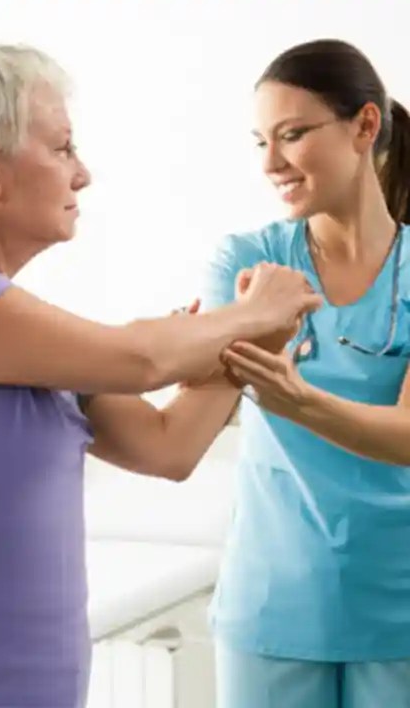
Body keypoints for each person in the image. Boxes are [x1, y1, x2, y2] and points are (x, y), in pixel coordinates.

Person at [0, 45, 321, 708]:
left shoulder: (24, 343)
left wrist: (250, 340)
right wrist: (248, 313)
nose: (84, 175)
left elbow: (169, 446)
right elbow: (142, 359)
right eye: (63, 147)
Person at [202, 38, 410, 708]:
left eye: (292, 136)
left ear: (365, 126)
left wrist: (297, 399)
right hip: (272, 609)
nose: (271, 162)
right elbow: (189, 393)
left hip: (399, 611)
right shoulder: (248, 260)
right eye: (260, 141)